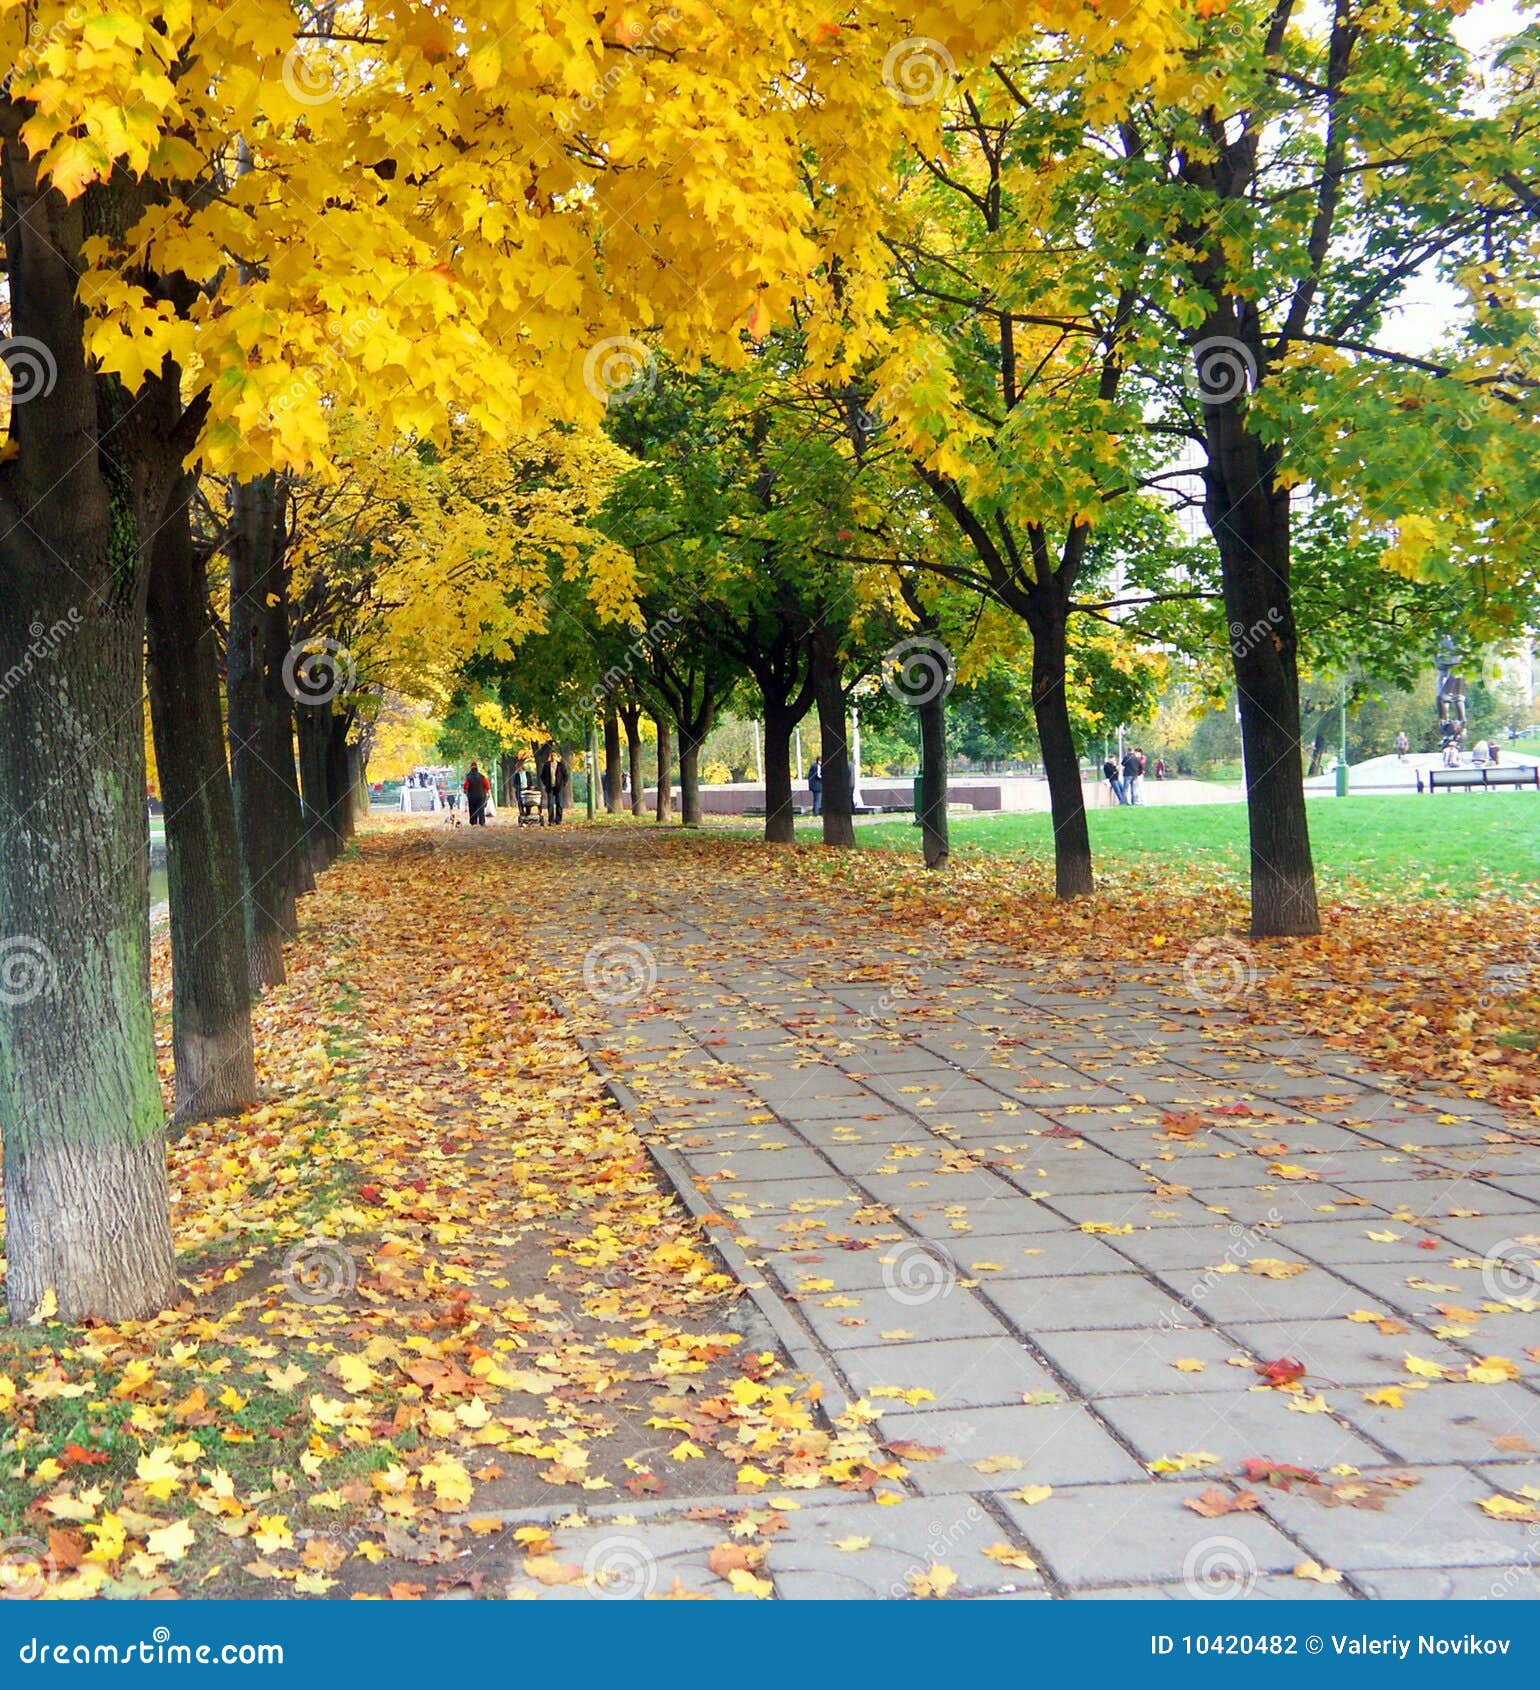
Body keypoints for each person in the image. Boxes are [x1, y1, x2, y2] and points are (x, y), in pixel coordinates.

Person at [540, 748, 568, 824]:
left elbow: (566, 775)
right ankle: (551, 820)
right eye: (552, 755)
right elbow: (542, 776)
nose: (553, 757)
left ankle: (558, 820)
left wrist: (563, 784)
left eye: (554, 755)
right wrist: (545, 783)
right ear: (550, 756)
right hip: (549, 787)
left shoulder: (561, 765)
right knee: (550, 804)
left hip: (558, 787)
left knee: (559, 803)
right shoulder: (546, 765)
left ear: (556, 757)